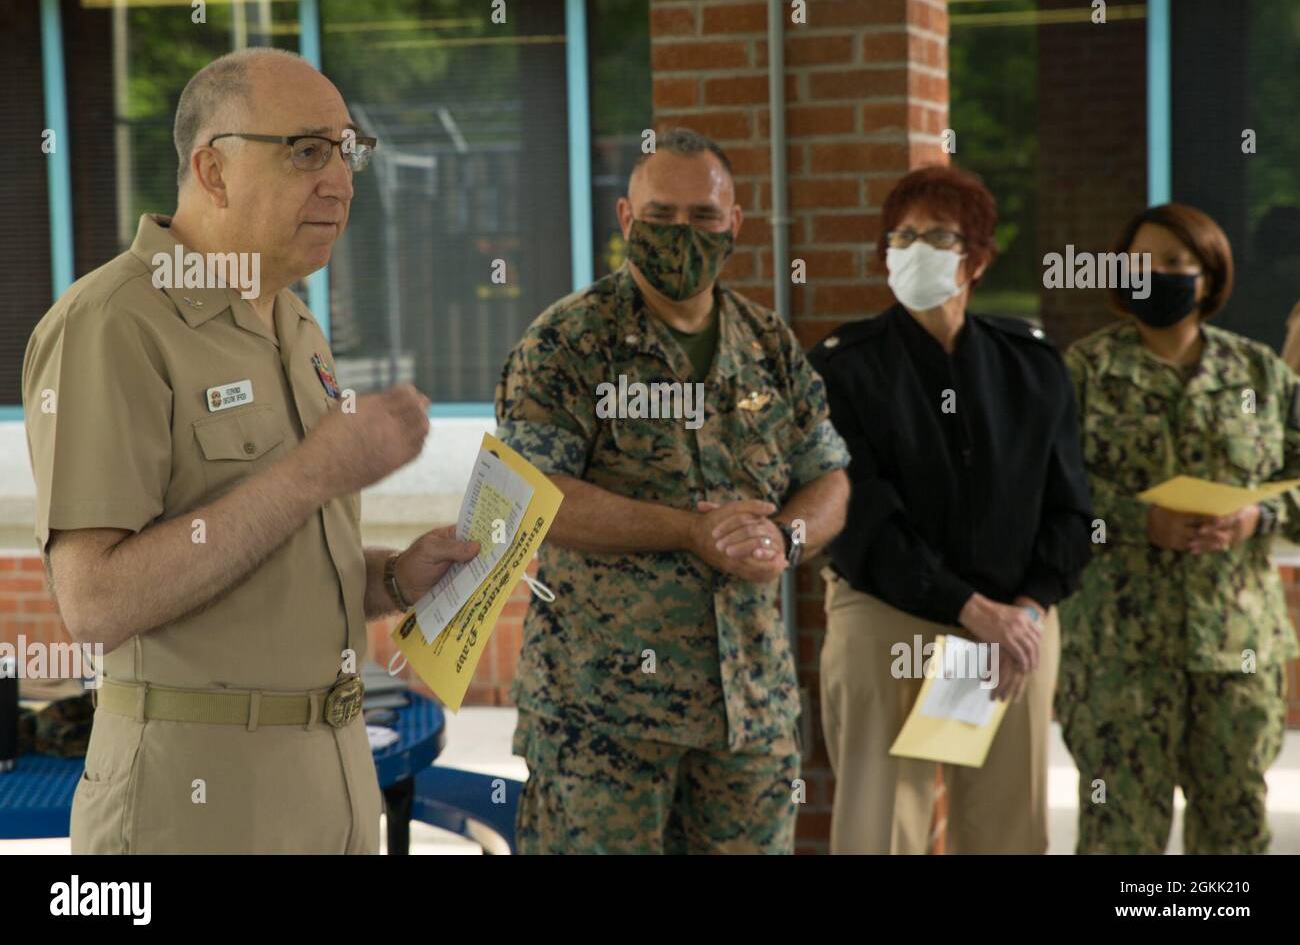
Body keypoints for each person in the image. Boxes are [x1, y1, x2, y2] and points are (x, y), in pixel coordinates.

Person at [21, 47, 478, 854]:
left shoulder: (294, 323)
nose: (339, 180)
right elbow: (95, 604)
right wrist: (317, 472)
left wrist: (398, 577)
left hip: (332, 778)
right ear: (214, 168)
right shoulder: (112, 324)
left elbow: (281, 555)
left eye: (348, 152)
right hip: (194, 801)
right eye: (306, 150)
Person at [496, 127, 851, 854]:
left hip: (747, 710)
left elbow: (830, 477)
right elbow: (531, 498)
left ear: (735, 225)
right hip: (602, 721)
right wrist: (689, 531)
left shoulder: (769, 345)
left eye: (702, 218)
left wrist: (785, 537)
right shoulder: (568, 342)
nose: (680, 235)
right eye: (660, 218)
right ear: (626, 219)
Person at [808, 165, 1093, 854]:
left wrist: (1027, 607)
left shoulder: (1031, 366)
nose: (912, 250)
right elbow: (861, 518)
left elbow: (1070, 510)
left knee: (1008, 829)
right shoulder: (842, 369)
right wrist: (967, 606)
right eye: (900, 237)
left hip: (1015, 627)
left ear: (978, 258)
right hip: (888, 615)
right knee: (880, 826)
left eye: (936, 236)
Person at [1057, 202, 1299, 854]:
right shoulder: (1080, 372)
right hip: (1116, 656)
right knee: (1118, 836)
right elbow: (1053, 495)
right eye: (1139, 262)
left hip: (1236, 653)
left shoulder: (1259, 375)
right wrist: (1141, 520)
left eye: (1172, 263)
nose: (1153, 275)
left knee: (1235, 829)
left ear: (1208, 275)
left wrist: (1259, 517)